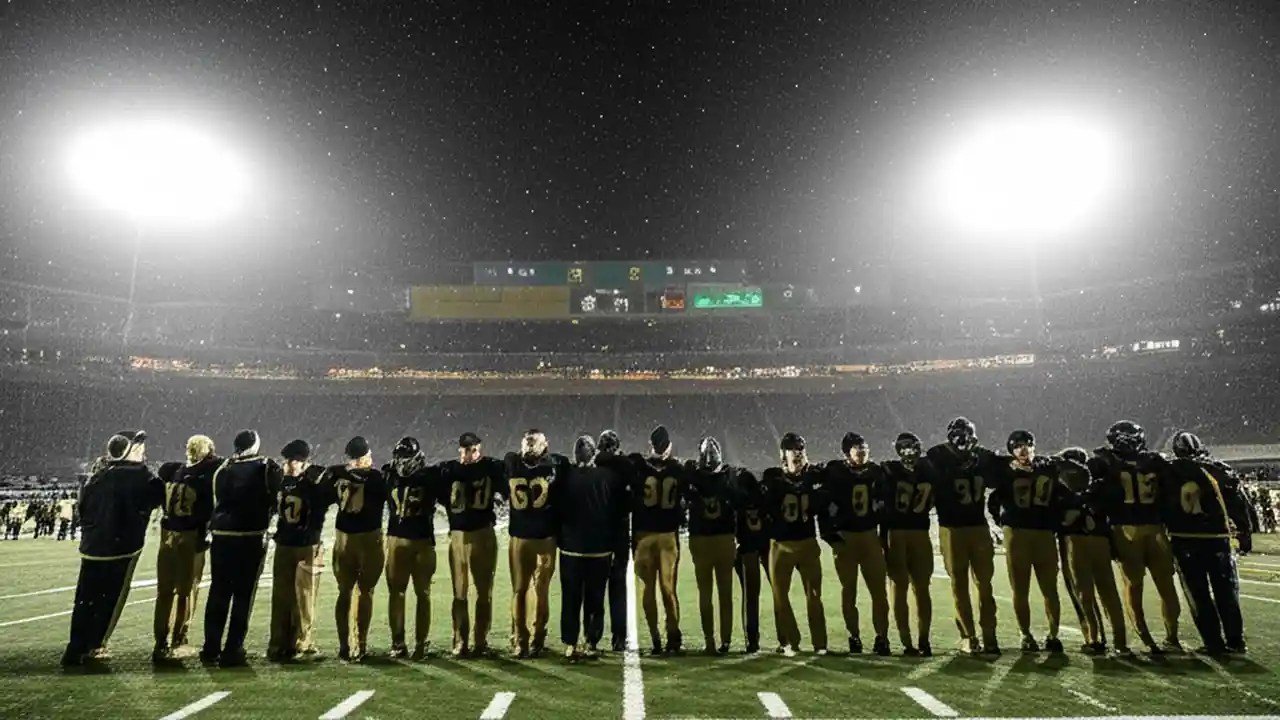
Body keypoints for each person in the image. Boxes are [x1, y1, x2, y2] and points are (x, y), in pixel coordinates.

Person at [62, 431, 163, 667]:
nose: (143, 453)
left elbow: (83, 509)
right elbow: (156, 497)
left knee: (85, 599)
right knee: (110, 598)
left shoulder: (96, 476)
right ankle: (95, 645)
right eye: (139, 449)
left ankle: (74, 647)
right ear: (131, 451)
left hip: (92, 546)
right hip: (121, 547)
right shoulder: (141, 476)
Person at [1088, 420, 1181, 653]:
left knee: (1134, 585)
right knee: (1166, 586)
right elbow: (1171, 494)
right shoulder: (1156, 462)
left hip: (1126, 529)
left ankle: (1147, 637)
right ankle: (1172, 637)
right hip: (1155, 528)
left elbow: (1096, 498)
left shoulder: (1104, 461)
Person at [1162, 432, 1252, 655]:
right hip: (1217, 539)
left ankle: (1213, 642)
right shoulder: (1220, 469)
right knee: (1227, 592)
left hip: (1185, 539)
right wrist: (1244, 532)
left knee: (1198, 594)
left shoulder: (1168, 470)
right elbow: (1239, 502)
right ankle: (1235, 640)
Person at [202, 429, 281, 667]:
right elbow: (275, 499)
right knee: (243, 594)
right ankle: (233, 648)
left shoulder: (222, 468)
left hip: (222, 535)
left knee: (219, 591)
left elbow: (215, 502)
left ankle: (211, 646)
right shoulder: (266, 466)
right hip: (250, 535)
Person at [927, 417, 1002, 655]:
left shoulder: (983, 457)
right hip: (952, 528)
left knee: (984, 585)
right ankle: (969, 636)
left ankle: (989, 635)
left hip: (977, 527)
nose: (963, 440)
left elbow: (1003, 473)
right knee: (960, 584)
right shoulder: (938, 456)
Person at [986, 430, 1064, 653]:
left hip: (1044, 532)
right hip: (1017, 532)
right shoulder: (1006, 472)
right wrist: (1002, 523)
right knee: (1020, 588)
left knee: (1050, 588)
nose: (1023, 449)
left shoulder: (1048, 468)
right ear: (1011, 449)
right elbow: (993, 500)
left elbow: (1063, 492)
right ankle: (1025, 633)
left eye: (1027, 444)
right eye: (1018, 445)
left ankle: (1053, 634)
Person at [558, 435, 630, 660]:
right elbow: (621, 510)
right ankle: (591, 641)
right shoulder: (609, 477)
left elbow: (557, 510)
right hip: (599, 549)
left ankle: (570, 643)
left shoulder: (565, 476)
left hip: (571, 548)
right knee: (594, 600)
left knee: (570, 599)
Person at [821, 432, 891, 656]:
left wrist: (884, 536)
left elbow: (885, 506)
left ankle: (882, 637)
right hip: (846, 539)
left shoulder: (876, 472)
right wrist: (830, 537)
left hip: (870, 536)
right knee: (849, 590)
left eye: (864, 448)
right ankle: (854, 636)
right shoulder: (835, 472)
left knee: (879, 592)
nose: (862, 452)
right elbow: (824, 506)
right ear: (846, 453)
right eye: (857, 449)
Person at [152, 435, 219, 662]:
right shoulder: (205, 476)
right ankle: (178, 640)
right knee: (186, 591)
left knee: (164, 592)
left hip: (168, 534)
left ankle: (160, 641)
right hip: (190, 535)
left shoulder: (173, 471)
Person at [439, 432, 506, 657]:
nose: (470, 454)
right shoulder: (448, 470)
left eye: (474, 449)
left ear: (480, 449)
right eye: (466, 449)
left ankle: (481, 640)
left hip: (483, 533)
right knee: (459, 593)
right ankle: (460, 640)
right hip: (458, 535)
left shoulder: (491, 467)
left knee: (484, 592)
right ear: (460, 449)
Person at [762, 432, 827, 657]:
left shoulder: (813, 476)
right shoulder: (774, 479)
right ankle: (789, 641)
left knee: (815, 595)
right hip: (781, 545)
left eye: (801, 451)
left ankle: (820, 644)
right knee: (780, 596)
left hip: (807, 543)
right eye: (793, 452)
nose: (798, 456)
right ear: (784, 456)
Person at [1058, 447, 1128, 656]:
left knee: (1083, 592)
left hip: (1075, 541)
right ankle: (1121, 642)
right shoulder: (1102, 486)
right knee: (1109, 593)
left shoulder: (1063, 489)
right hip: (1101, 540)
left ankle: (1094, 638)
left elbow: (1062, 518)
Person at [503, 430, 567, 657]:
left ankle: (521, 640)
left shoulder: (511, 463)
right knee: (541, 591)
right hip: (545, 539)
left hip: (521, 538)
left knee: (520, 591)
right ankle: (537, 638)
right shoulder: (555, 465)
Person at [325, 436, 388, 662]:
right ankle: (360, 644)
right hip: (368, 539)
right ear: (363, 458)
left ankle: (344, 645)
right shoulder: (376, 478)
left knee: (344, 592)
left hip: (343, 540)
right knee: (365, 591)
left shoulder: (336, 474)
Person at [628, 425, 688, 655]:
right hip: (667, 536)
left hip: (644, 535)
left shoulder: (638, 466)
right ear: (669, 446)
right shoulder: (678, 469)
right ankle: (673, 638)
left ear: (650, 445)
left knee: (648, 588)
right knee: (668, 588)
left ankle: (655, 639)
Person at [268, 439, 328, 661]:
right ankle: (298, 643)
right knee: (301, 597)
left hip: (288, 542)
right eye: (290, 460)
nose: (290, 464)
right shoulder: (312, 484)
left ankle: (282, 643)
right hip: (303, 544)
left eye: (293, 460)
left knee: (287, 596)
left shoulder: (282, 483)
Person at [383, 437, 441, 661]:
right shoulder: (389, 474)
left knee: (423, 593)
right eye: (400, 457)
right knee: (396, 592)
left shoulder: (430, 476)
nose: (401, 462)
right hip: (397, 539)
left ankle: (421, 642)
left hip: (422, 541)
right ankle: (398, 642)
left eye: (406, 458)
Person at [880, 432, 936, 656]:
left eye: (913, 448)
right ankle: (908, 641)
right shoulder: (891, 470)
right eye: (906, 448)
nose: (911, 453)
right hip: (899, 532)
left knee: (920, 587)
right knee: (901, 585)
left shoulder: (926, 469)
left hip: (916, 531)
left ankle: (922, 639)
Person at [684, 436, 738, 655]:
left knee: (705, 593)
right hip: (724, 539)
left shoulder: (693, 477)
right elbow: (738, 499)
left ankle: (709, 641)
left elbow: (685, 490)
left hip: (701, 540)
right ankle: (725, 641)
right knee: (725, 593)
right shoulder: (729, 477)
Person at [597, 430, 632, 652]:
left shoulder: (595, 464)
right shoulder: (625, 466)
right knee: (618, 585)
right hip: (619, 531)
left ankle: (593, 636)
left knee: (595, 587)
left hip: (598, 532)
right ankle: (619, 636)